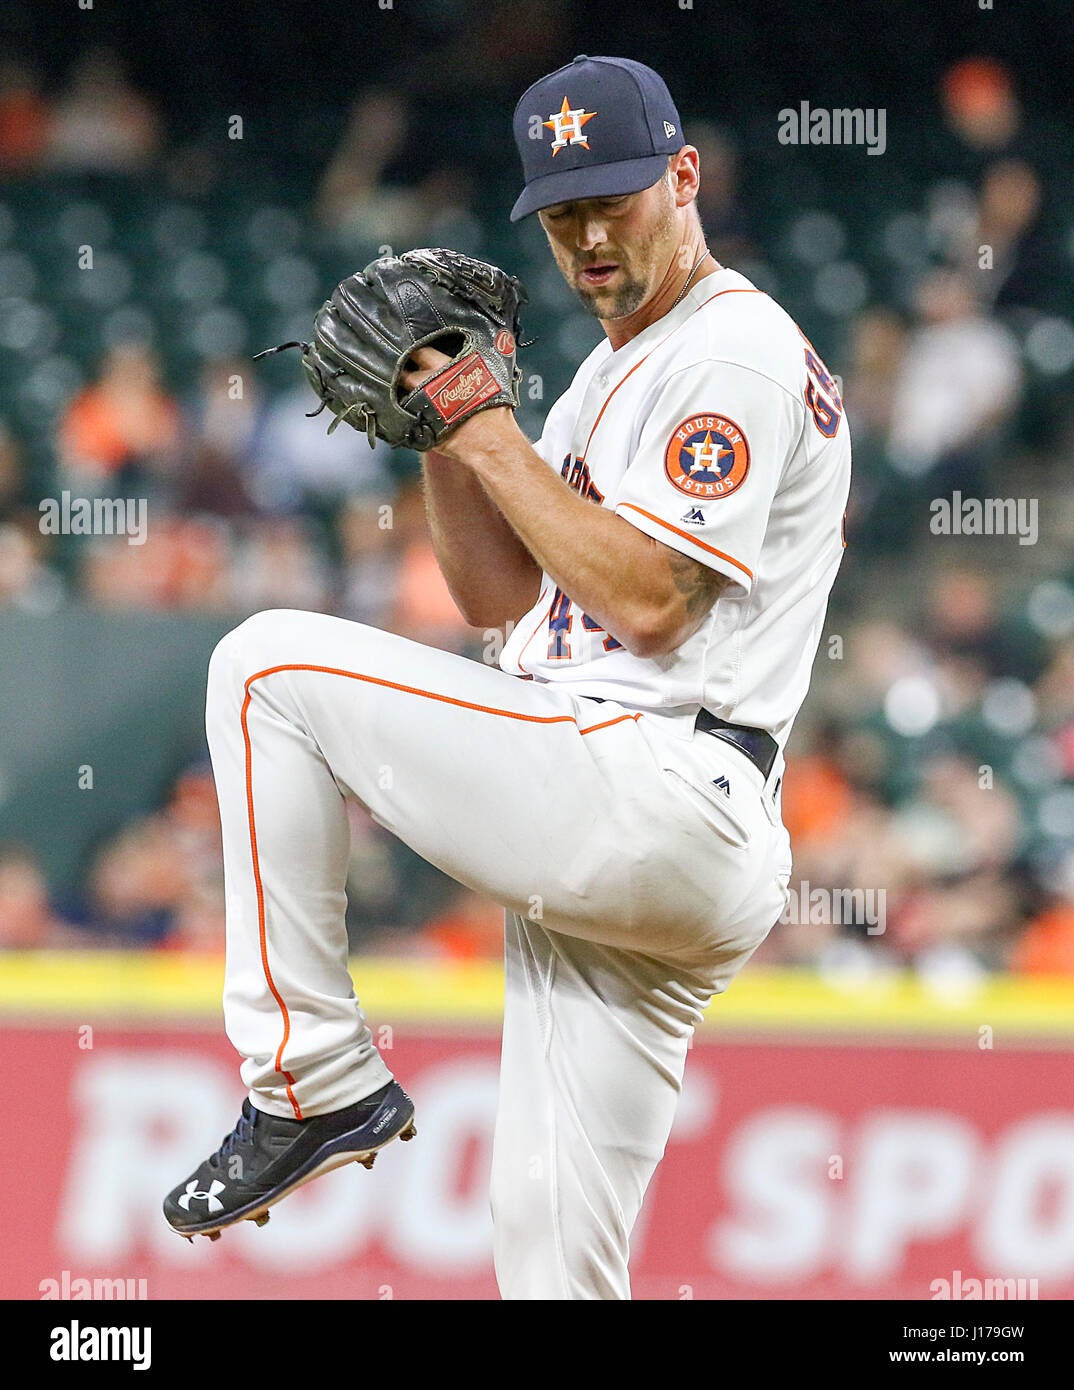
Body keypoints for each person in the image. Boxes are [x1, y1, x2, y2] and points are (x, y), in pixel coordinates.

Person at [163, 55, 851, 1300]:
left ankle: (310, 1078)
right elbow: (500, 600)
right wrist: (442, 432)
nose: (590, 234)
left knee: (263, 665)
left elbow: (646, 601)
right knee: (550, 1264)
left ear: (685, 177)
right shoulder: (604, 376)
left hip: (658, 780)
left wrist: (485, 424)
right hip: (606, 813)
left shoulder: (736, 346)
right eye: (564, 211)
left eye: (619, 198)